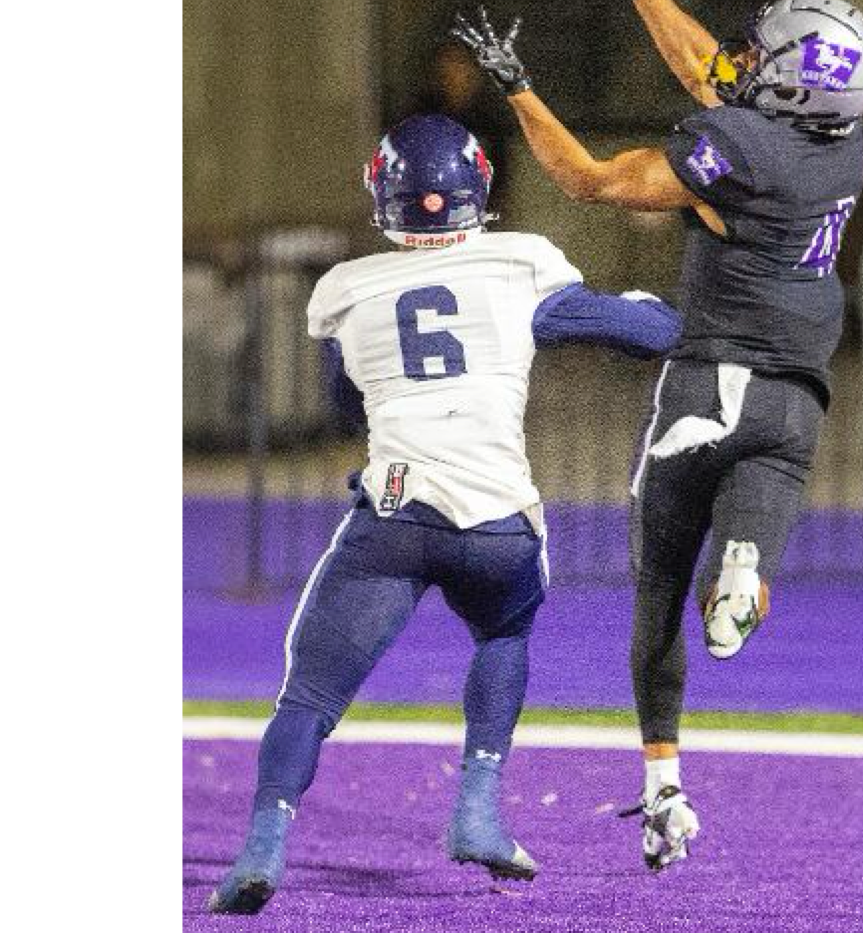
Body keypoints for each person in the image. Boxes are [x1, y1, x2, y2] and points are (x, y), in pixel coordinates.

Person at [451, 0, 863, 871]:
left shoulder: (741, 153)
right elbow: (716, 75)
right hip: (796, 377)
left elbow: (593, 181)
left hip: (711, 369)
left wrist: (518, 88)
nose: (744, 58)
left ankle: (663, 784)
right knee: (753, 521)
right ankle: (745, 573)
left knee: (656, 590)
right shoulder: (838, 140)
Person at [207, 112, 681, 914]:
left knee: (309, 697)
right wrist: (665, 306)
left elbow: (343, 397)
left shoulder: (343, 289)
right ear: (479, 188)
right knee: (503, 632)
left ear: (382, 196)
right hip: (498, 523)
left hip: (394, 519)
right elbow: (645, 332)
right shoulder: (521, 265)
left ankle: (262, 847)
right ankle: (478, 811)